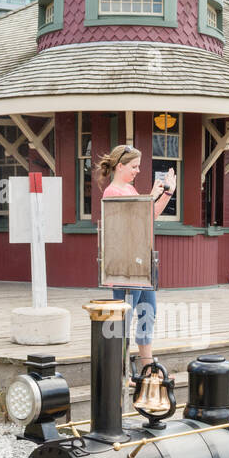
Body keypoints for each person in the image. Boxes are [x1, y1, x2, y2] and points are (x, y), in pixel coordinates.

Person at [93, 144, 174, 371]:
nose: (138, 171)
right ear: (120, 166)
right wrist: (151, 196)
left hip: (141, 259)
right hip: (125, 264)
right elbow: (129, 221)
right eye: (134, 166)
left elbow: (149, 216)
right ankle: (117, 368)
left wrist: (167, 193)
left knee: (148, 311)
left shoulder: (130, 190)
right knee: (124, 318)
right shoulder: (113, 192)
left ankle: (147, 364)